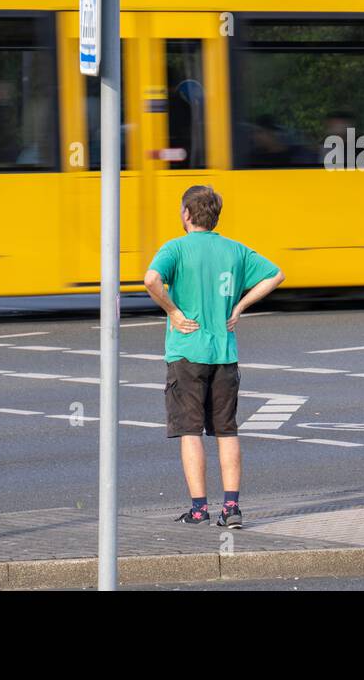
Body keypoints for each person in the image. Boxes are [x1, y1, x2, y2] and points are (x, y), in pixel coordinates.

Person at [143, 185, 285, 529]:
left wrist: (173, 311)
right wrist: (240, 306)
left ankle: (198, 510)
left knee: (190, 431)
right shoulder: (234, 250)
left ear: (187, 214)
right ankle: (232, 509)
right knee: (226, 431)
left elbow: (151, 280)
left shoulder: (175, 248)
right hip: (224, 352)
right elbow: (276, 274)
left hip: (186, 351)